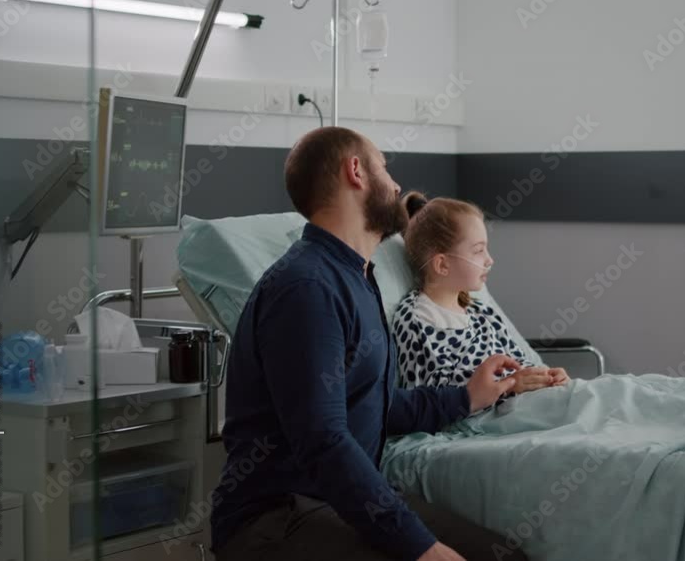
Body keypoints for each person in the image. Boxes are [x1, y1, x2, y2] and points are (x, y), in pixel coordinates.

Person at [210, 127, 530, 561]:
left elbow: (370, 404)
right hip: (276, 519)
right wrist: (419, 547)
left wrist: (465, 398)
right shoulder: (308, 288)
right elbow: (323, 439)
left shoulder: (357, 278)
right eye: (384, 167)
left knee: (503, 554)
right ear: (356, 171)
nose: (397, 185)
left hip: (330, 503)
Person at [392, 193, 569, 398]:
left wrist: (547, 377)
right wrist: (508, 384)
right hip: (488, 420)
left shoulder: (483, 313)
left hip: (524, 404)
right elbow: (427, 394)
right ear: (442, 264)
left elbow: (520, 364)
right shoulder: (415, 318)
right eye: (478, 250)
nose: (489, 260)